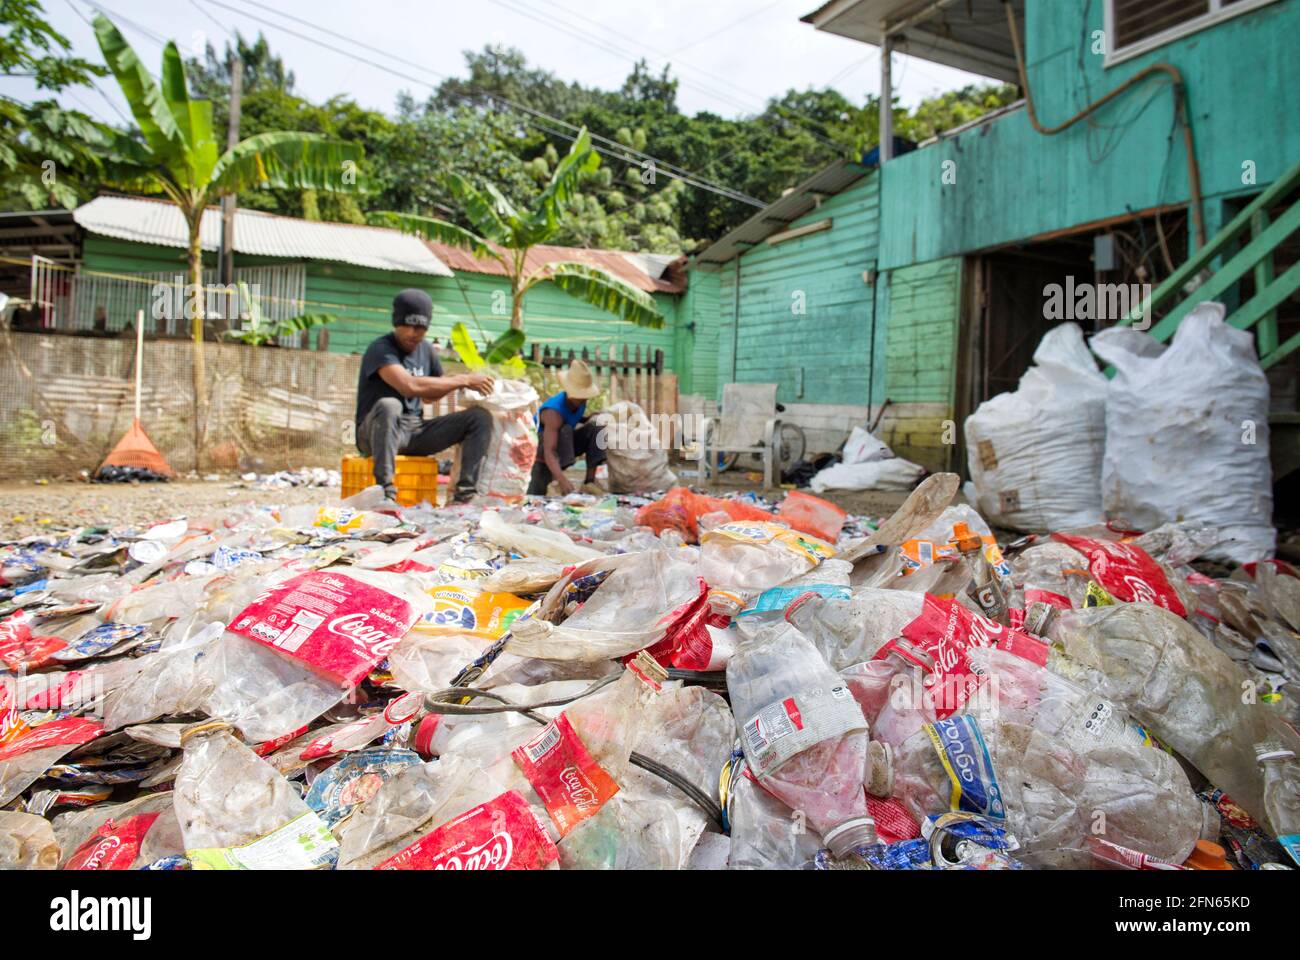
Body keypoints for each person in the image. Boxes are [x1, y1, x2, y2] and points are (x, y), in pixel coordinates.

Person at [355, 289, 495, 503]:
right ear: (396, 323)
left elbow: (430, 396)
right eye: (408, 325)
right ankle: (385, 492)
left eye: (420, 327)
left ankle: (465, 495)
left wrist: (464, 393)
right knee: (390, 405)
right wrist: (463, 379)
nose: (413, 333)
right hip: (375, 432)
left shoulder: (426, 350)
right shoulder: (381, 349)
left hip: (413, 431)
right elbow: (409, 386)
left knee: (478, 417)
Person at [527, 358, 606, 496]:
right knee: (536, 496)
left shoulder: (580, 402)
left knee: (597, 427)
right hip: (540, 452)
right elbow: (549, 451)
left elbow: (572, 417)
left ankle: (589, 482)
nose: (584, 399)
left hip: (563, 445)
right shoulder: (553, 412)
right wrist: (562, 480)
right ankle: (557, 481)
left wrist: (588, 418)